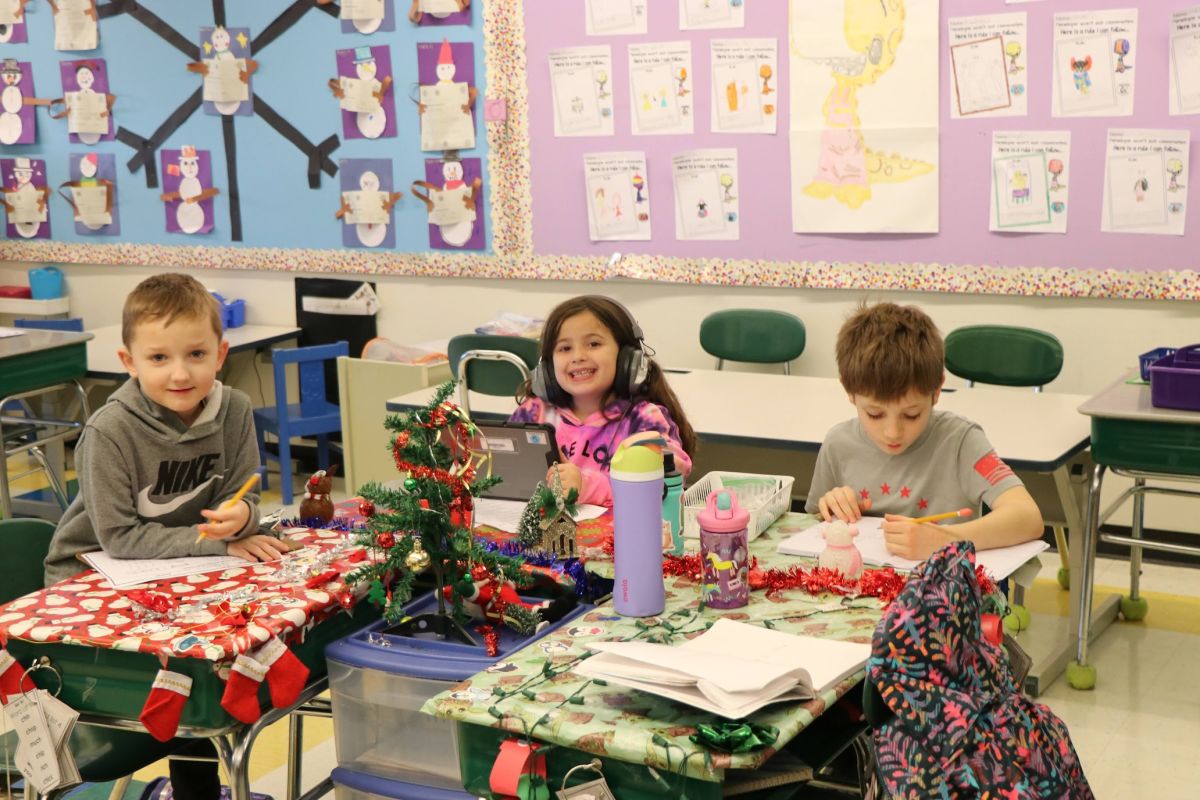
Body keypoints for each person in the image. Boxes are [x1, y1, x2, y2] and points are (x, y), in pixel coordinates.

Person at [43, 273, 295, 800]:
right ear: (129, 361)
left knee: (220, 655)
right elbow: (119, 538)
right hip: (91, 580)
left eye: (196, 354)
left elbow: (243, 494)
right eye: (158, 359)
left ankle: (191, 788)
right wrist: (216, 544)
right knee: (189, 669)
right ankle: (190, 789)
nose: (180, 373)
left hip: (181, 570)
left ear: (221, 354)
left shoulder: (235, 410)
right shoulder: (109, 432)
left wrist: (241, 520)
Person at [805, 302, 1043, 561]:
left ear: (937, 391)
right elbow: (812, 527)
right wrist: (833, 510)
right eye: (874, 414)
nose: (893, 432)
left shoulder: (961, 441)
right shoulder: (838, 444)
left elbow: (1028, 517)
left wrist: (946, 540)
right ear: (849, 393)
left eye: (911, 414)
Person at [510, 295, 695, 507]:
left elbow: (668, 480)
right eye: (565, 348)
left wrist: (586, 486)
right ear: (547, 368)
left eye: (593, 344)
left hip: (622, 535)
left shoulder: (643, 420)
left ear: (628, 358)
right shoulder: (534, 413)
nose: (578, 356)